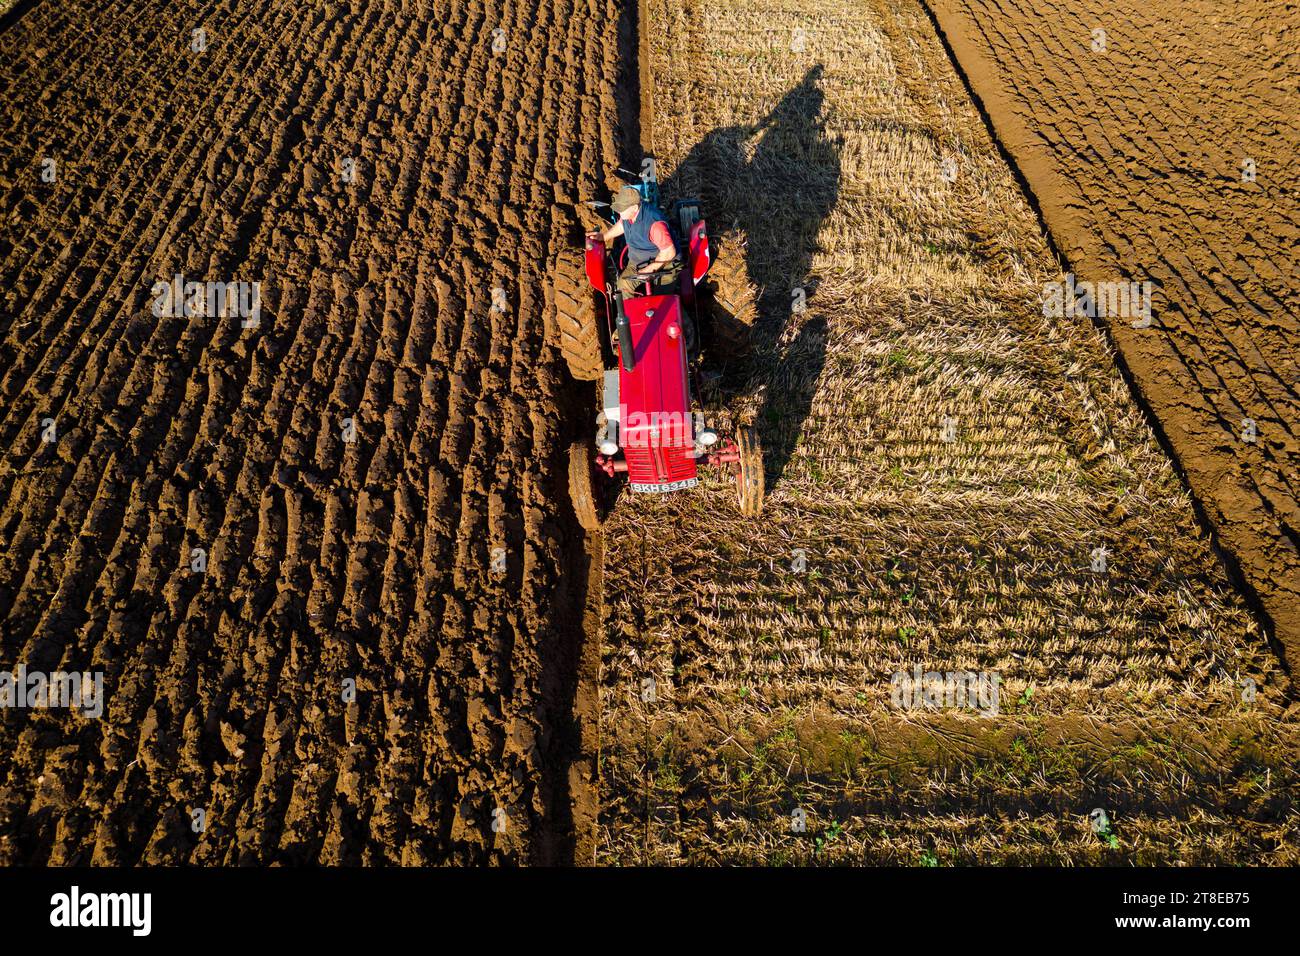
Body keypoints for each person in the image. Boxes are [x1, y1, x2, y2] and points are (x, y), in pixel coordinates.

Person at [590, 185, 681, 295]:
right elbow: (622, 225)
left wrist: (651, 269)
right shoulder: (628, 215)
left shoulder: (654, 224)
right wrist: (604, 237)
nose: (619, 212)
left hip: (665, 264)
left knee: (662, 299)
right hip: (638, 261)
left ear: (634, 207)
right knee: (623, 286)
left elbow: (669, 252)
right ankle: (627, 312)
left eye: (622, 209)